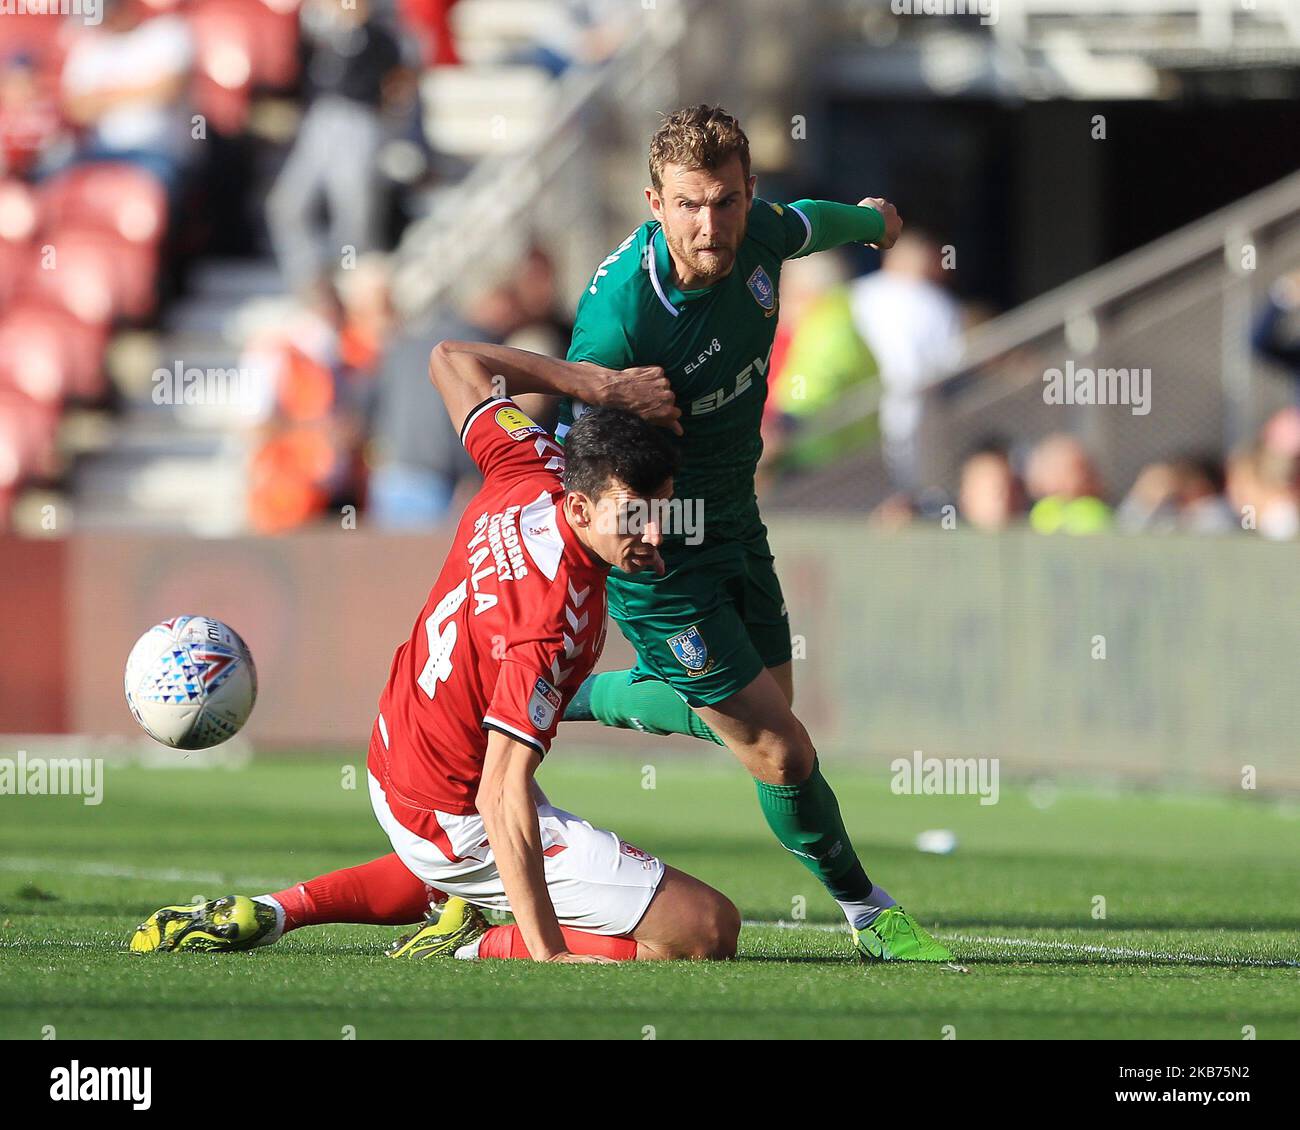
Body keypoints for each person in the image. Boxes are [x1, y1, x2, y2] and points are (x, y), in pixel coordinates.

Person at [131, 341, 741, 963]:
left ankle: (283, 909)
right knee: (704, 931)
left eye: (661, 510)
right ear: (581, 507)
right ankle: (474, 944)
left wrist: (593, 384)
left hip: (401, 749)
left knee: (470, 848)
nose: (655, 532)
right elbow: (499, 796)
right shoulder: (549, 617)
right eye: (635, 516)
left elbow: (450, 360)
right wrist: (549, 954)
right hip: (454, 810)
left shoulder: (532, 467)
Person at [553, 105, 951, 962]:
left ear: (748, 193)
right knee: (776, 746)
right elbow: (574, 459)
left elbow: (813, 224)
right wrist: (624, 532)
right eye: (690, 205)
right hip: (662, 551)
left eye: (726, 202)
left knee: (765, 708)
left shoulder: (760, 235)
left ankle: (570, 695)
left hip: (736, 516)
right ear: (654, 202)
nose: (710, 224)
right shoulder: (622, 321)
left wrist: (874, 223)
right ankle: (867, 909)